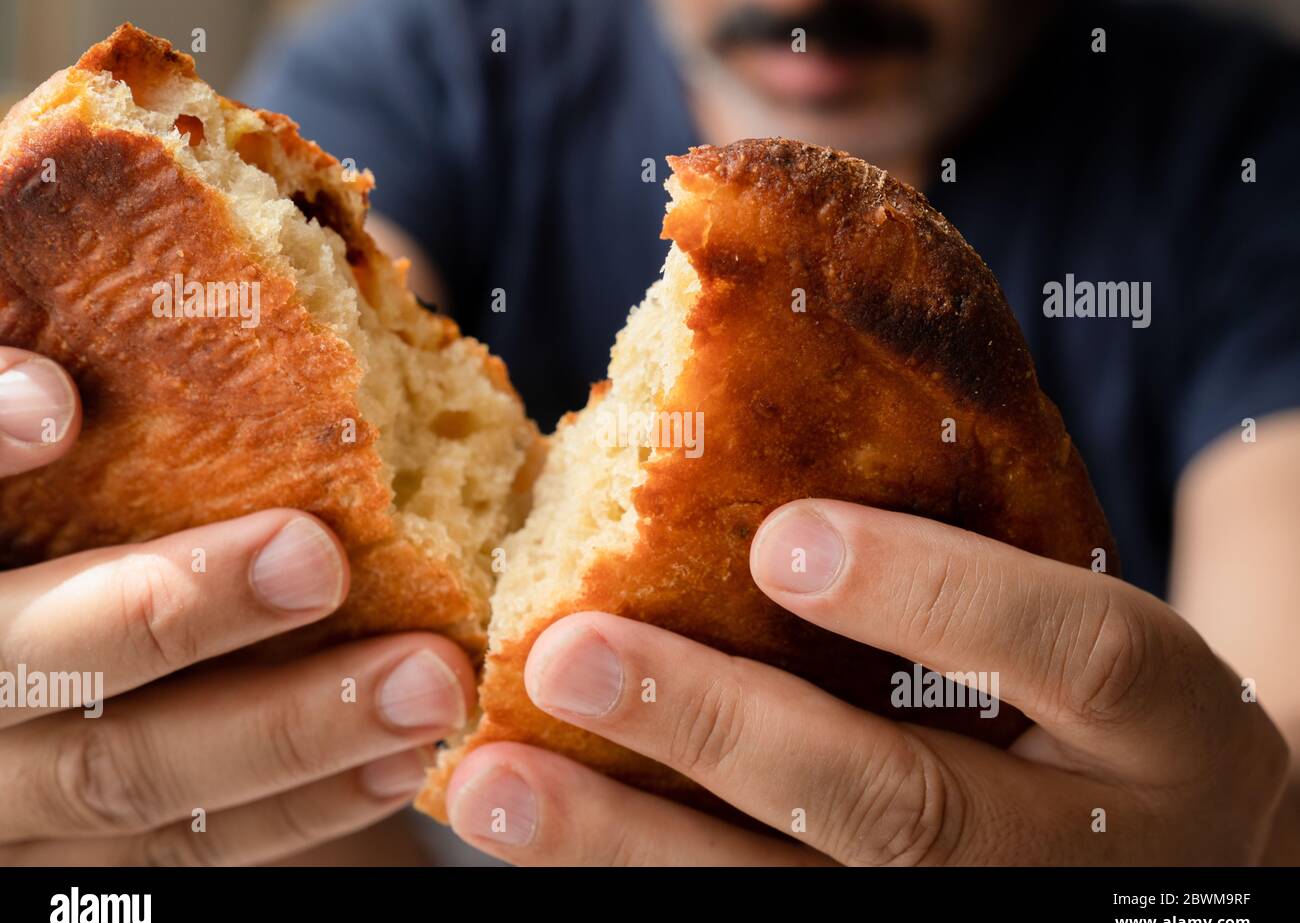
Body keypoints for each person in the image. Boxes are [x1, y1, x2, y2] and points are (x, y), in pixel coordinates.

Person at [1, 0, 1296, 865]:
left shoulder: (1249, 148)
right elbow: (310, 500)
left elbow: (1272, 710)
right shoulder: (444, 57)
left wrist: (1235, 855)